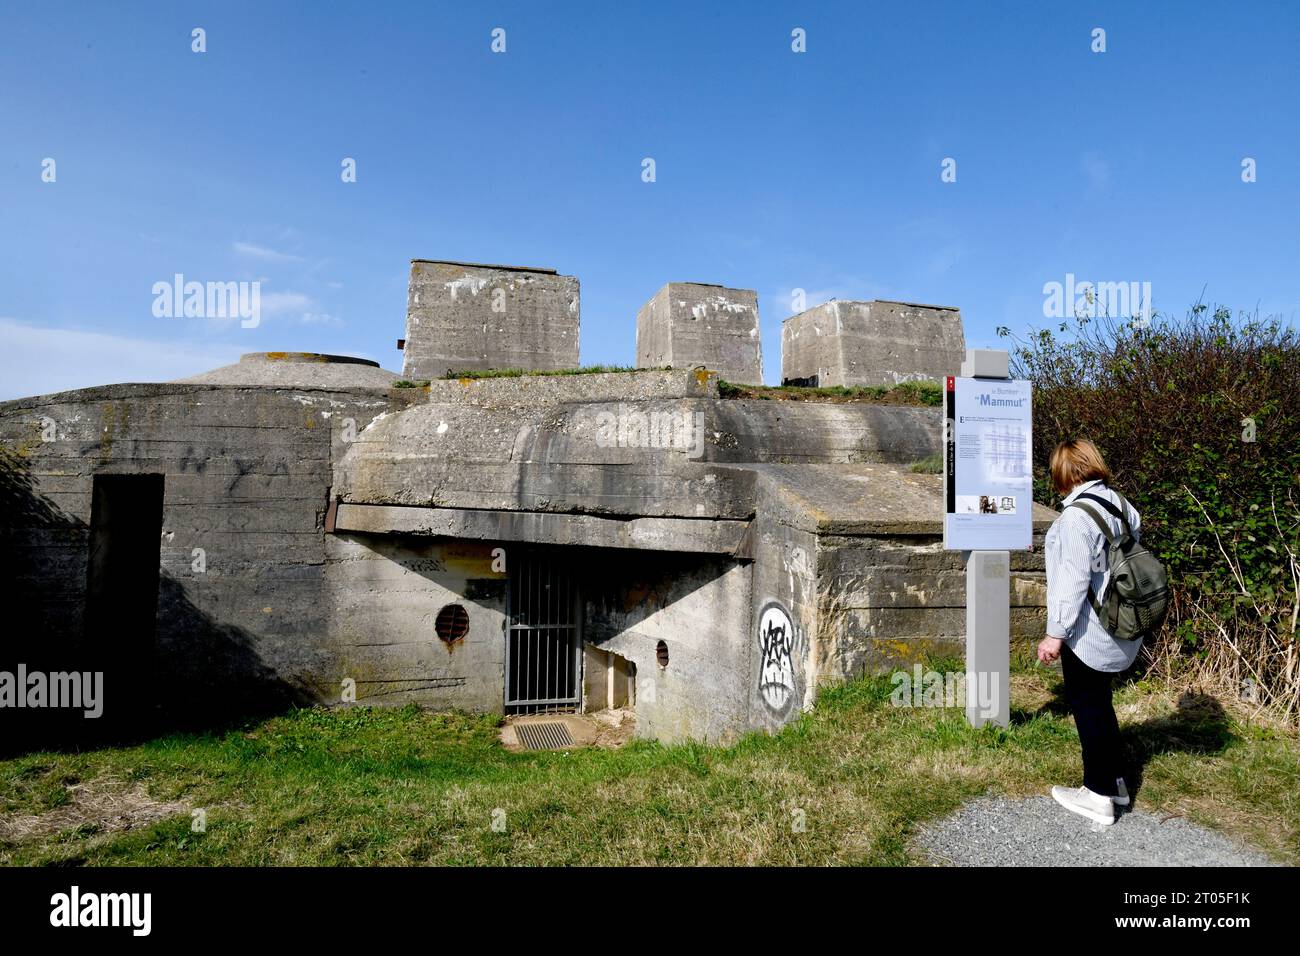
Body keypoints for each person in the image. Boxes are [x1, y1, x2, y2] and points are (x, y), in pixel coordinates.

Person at [1037, 439, 1142, 826]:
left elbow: (1073, 581)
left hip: (1090, 631)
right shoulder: (1120, 505)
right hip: (1123, 624)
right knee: (1101, 703)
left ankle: (1097, 794)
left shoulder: (1077, 517)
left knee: (1087, 706)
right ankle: (1115, 782)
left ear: (1066, 473)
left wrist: (1055, 634)